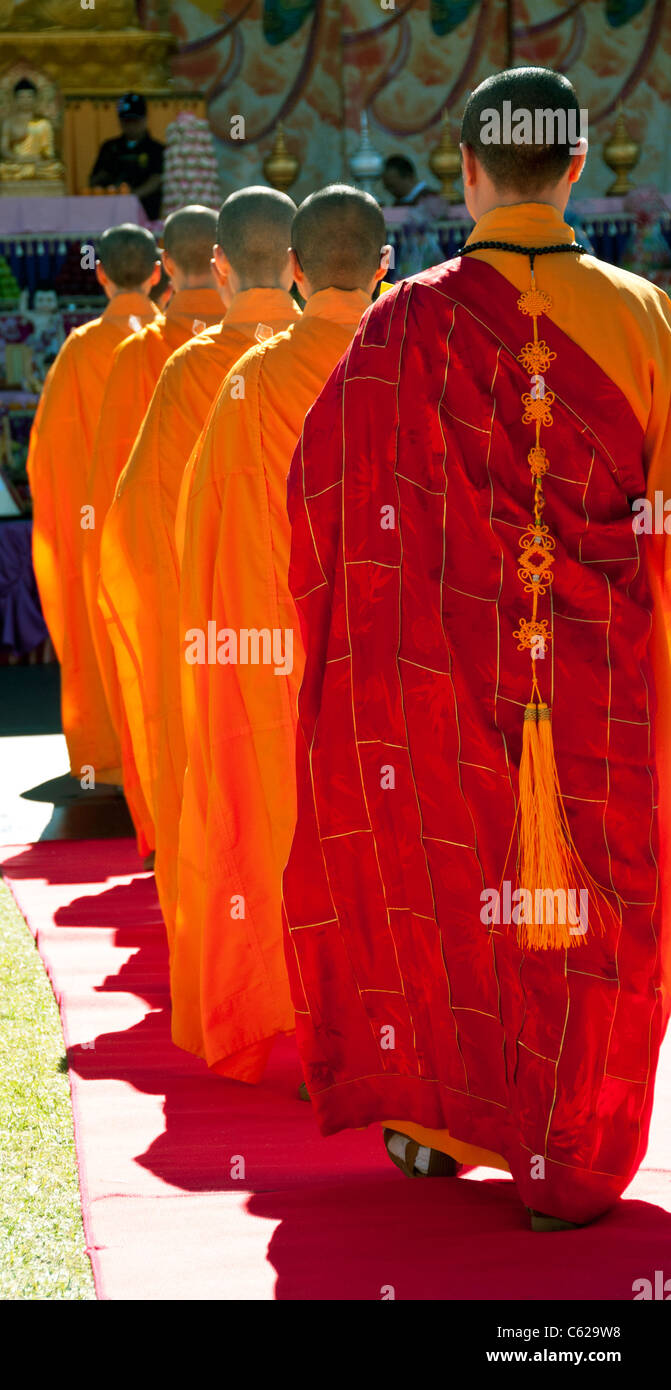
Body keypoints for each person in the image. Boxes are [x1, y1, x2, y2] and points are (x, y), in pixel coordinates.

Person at [282, 66, 671, 1230]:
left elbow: (321, 498)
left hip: (447, 676)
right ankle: (573, 1151)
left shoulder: (404, 323)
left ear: (463, 167)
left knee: (454, 877)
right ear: (572, 162)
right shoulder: (646, 315)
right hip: (606, 690)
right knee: (594, 910)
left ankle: (451, 1121)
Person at [174, 186, 390, 1083]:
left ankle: (286, 1012)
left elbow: (198, 532)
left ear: (294, 271)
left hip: (277, 661)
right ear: (386, 267)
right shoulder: (427, 364)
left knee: (279, 826)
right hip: (406, 662)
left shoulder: (247, 381)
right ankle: (403, 1024)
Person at [97, 186, 299, 958]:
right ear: (295, 262)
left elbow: (136, 514)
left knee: (228, 787)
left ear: (219, 266)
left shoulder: (186, 370)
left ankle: (234, 951)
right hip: (330, 620)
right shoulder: (353, 352)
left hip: (219, 627)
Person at [84, 206, 224, 849]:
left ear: (168, 264)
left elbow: (96, 481)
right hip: (255, 564)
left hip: (164, 560)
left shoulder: (132, 353)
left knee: (172, 696)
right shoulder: (274, 346)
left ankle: (175, 832)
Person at [26, 223, 161, 796]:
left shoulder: (81, 349)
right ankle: (167, 754)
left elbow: (45, 459)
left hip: (97, 526)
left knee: (102, 636)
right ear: (158, 273)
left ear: (100, 274)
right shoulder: (180, 340)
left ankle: (107, 756)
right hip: (161, 528)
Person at [89, 94, 165, 221]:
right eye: (126, 121)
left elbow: (156, 180)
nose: (131, 126)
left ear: (145, 119)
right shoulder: (110, 147)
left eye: (135, 121)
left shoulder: (156, 149)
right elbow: (94, 180)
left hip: (147, 215)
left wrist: (131, 197)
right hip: (110, 214)